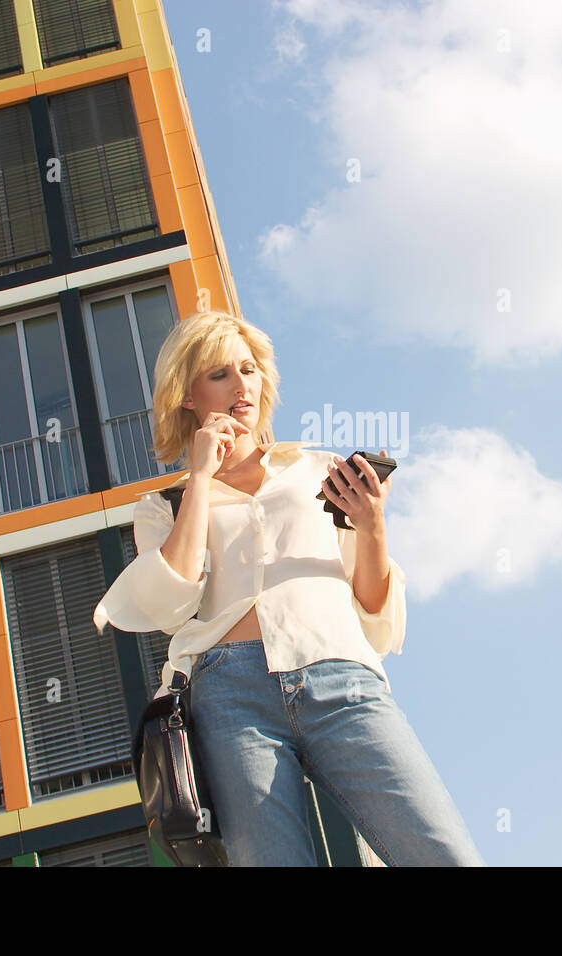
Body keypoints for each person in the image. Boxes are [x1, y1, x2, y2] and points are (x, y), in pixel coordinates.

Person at [93, 309, 484, 867]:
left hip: (341, 676)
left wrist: (372, 526)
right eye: (220, 374)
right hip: (228, 695)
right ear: (187, 395)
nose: (242, 385)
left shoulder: (317, 470)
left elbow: (372, 609)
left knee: (445, 854)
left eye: (248, 370)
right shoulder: (166, 506)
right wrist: (201, 475)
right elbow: (168, 602)